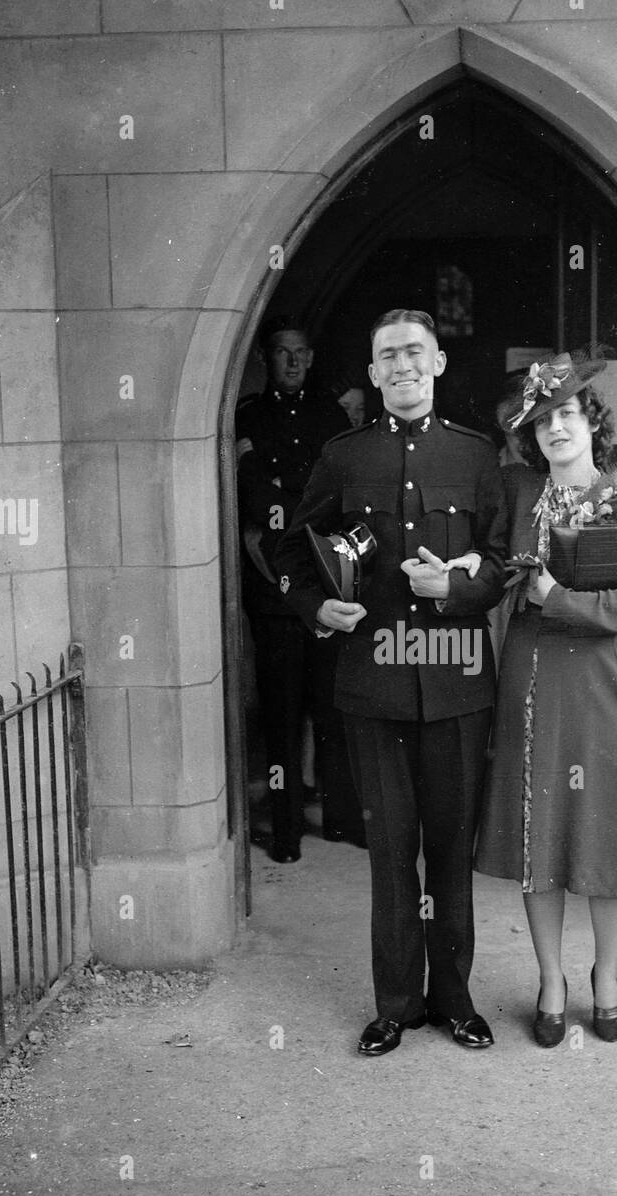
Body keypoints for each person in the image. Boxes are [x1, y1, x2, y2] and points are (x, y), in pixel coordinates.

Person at [275, 309, 507, 1056]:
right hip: (373, 685)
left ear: (437, 364)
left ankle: (456, 1000)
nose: (402, 366)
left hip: (455, 689)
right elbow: (288, 552)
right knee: (389, 851)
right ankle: (395, 1005)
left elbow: (502, 565)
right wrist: (318, 608)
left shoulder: (476, 457)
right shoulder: (343, 457)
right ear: (372, 375)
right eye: (387, 357)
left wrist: (456, 590)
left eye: (415, 353)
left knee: (448, 848)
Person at [474, 351, 617, 1047]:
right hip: (532, 680)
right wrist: (470, 574)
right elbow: (494, 566)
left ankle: (606, 974)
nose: (556, 428)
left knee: (604, 830)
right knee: (540, 832)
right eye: (542, 420)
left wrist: (561, 598)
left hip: (604, 681)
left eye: (566, 414)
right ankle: (551, 978)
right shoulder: (520, 492)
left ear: (591, 420)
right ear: (529, 437)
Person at [236, 318, 365, 862]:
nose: (292, 362)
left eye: (300, 353)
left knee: (333, 709)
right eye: (282, 353)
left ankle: (338, 818)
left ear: (312, 359)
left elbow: (341, 491)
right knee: (282, 715)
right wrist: (298, 498)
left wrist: (288, 496)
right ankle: (286, 832)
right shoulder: (247, 416)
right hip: (272, 590)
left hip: (324, 583)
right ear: (267, 359)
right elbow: (246, 489)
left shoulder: (331, 417)